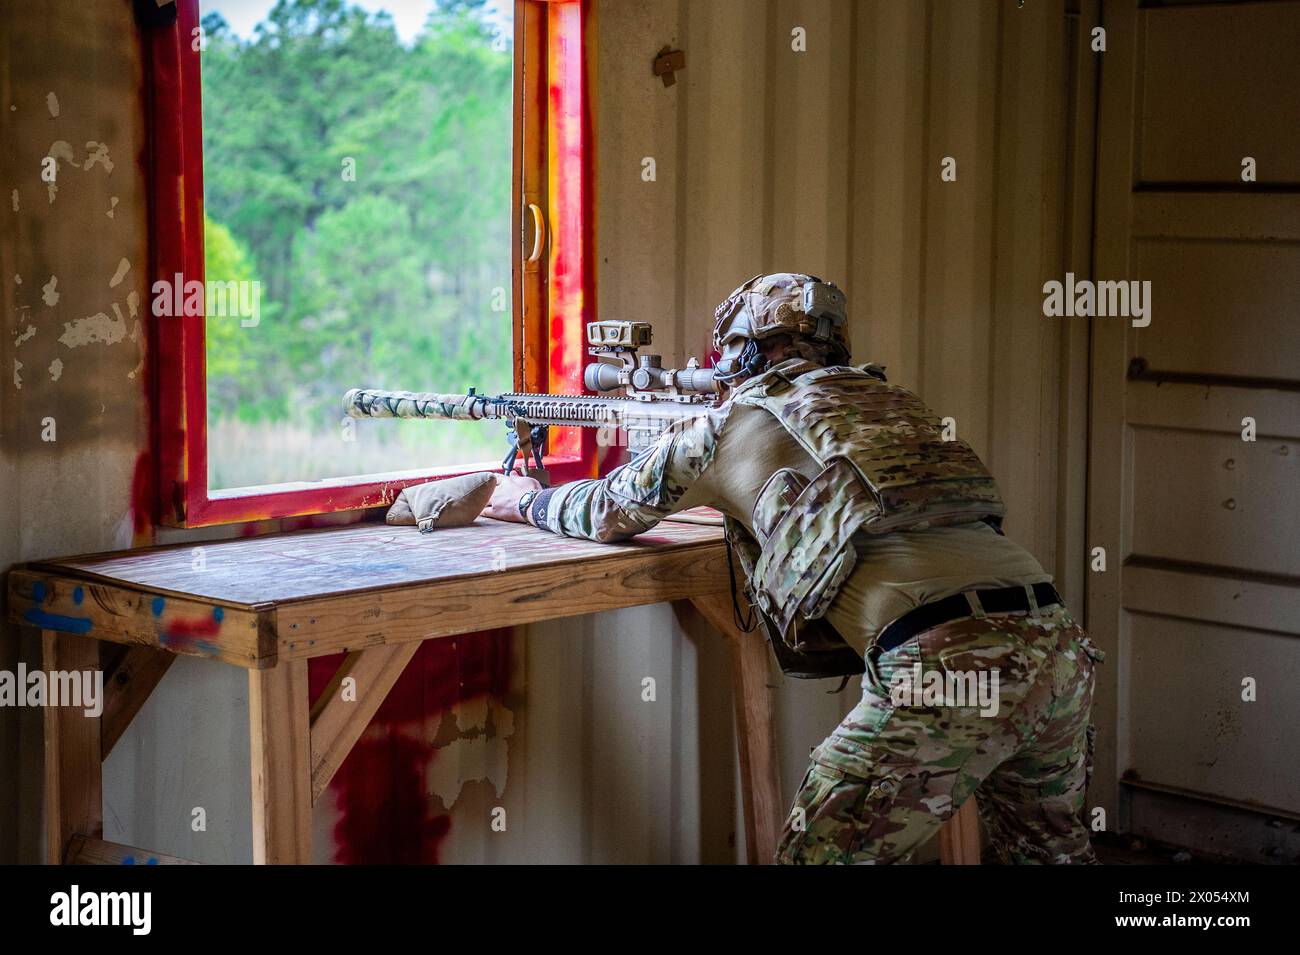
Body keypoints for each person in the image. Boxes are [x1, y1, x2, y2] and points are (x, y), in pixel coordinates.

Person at [483, 272, 1103, 864]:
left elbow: (604, 511)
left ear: (743, 351)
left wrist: (523, 501)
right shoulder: (896, 408)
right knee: (1050, 854)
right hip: (1056, 642)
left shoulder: (728, 424)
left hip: (946, 662)